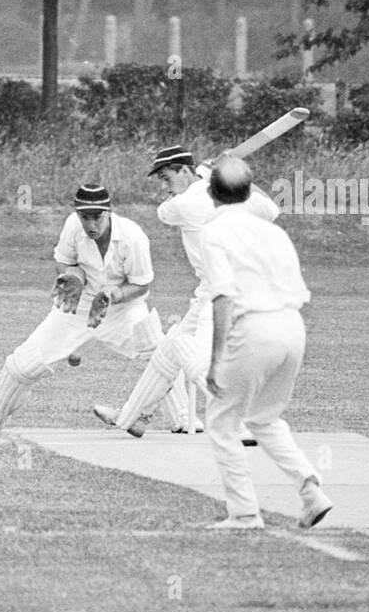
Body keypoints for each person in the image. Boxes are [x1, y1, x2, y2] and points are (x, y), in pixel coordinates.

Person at [93, 146, 275, 441]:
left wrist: (208, 173)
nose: (164, 188)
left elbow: (164, 212)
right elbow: (270, 209)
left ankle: (240, 424)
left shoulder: (185, 203)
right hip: (222, 289)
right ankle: (132, 418)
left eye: (167, 179)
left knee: (197, 360)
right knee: (167, 351)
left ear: (186, 171)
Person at [0, 184, 160, 432]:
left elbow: (141, 284)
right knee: (24, 363)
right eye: (85, 217)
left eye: (97, 217)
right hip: (80, 304)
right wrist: (74, 277)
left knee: (158, 351)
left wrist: (112, 295)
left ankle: (179, 418)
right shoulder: (73, 226)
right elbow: (63, 262)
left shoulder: (133, 237)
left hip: (123, 308)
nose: (91, 225)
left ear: (109, 212)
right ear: (77, 214)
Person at [197, 158, 331, 530]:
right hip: (292, 327)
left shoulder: (213, 231)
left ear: (211, 193)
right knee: (263, 417)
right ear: (249, 190)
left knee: (222, 422)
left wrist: (215, 361)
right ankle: (311, 491)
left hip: (255, 328)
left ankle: (243, 514)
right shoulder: (273, 232)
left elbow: (223, 296)